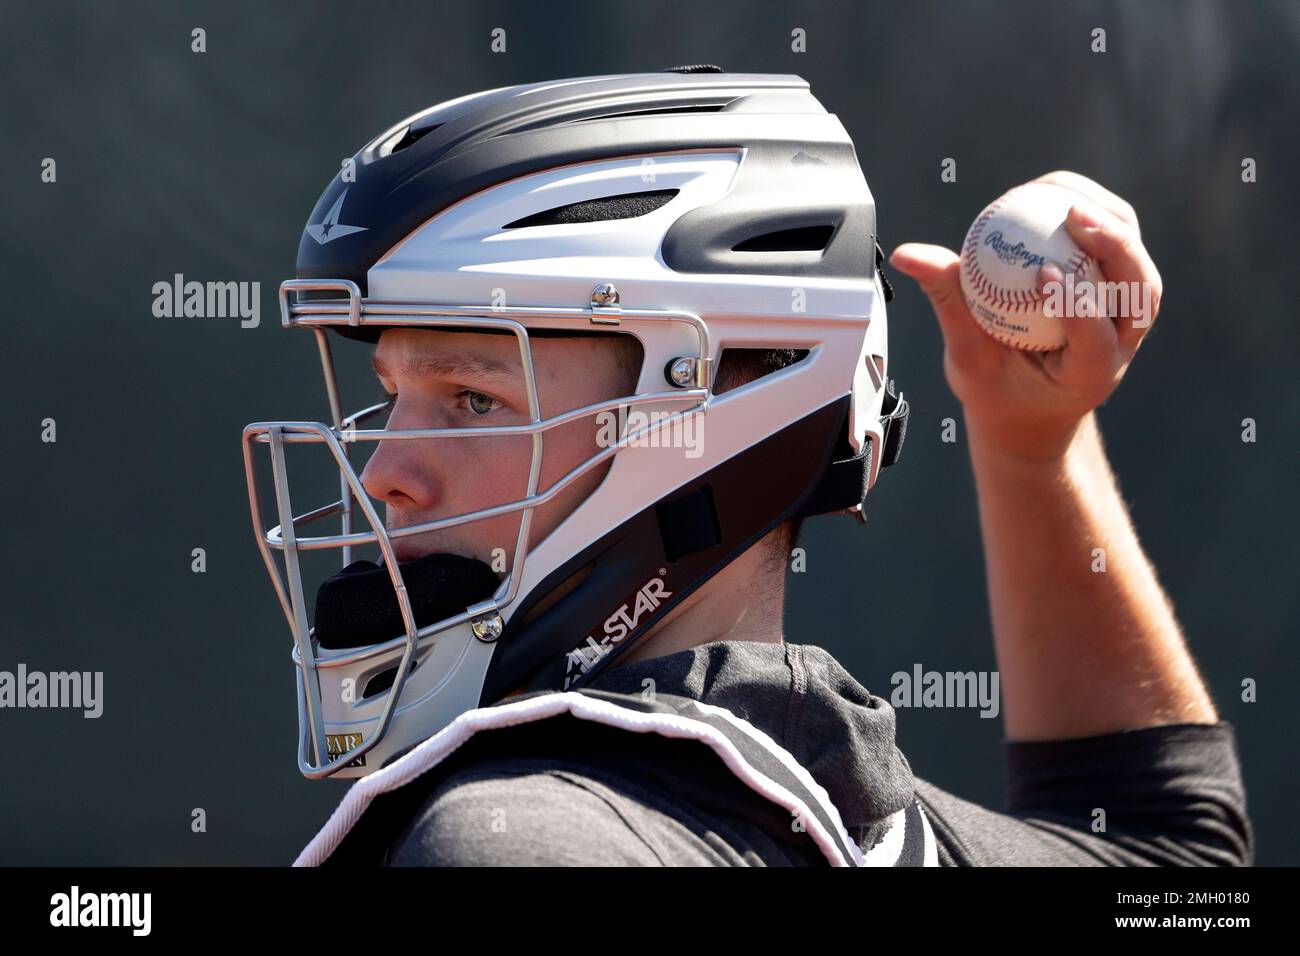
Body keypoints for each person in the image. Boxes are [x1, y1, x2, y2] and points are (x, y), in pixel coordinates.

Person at [243, 68, 1251, 867]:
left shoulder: (514, 837)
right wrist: (1032, 443)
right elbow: (1170, 854)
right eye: (392, 392)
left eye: (474, 399)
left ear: (714, 414)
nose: (382, 472)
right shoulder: (878, 826)